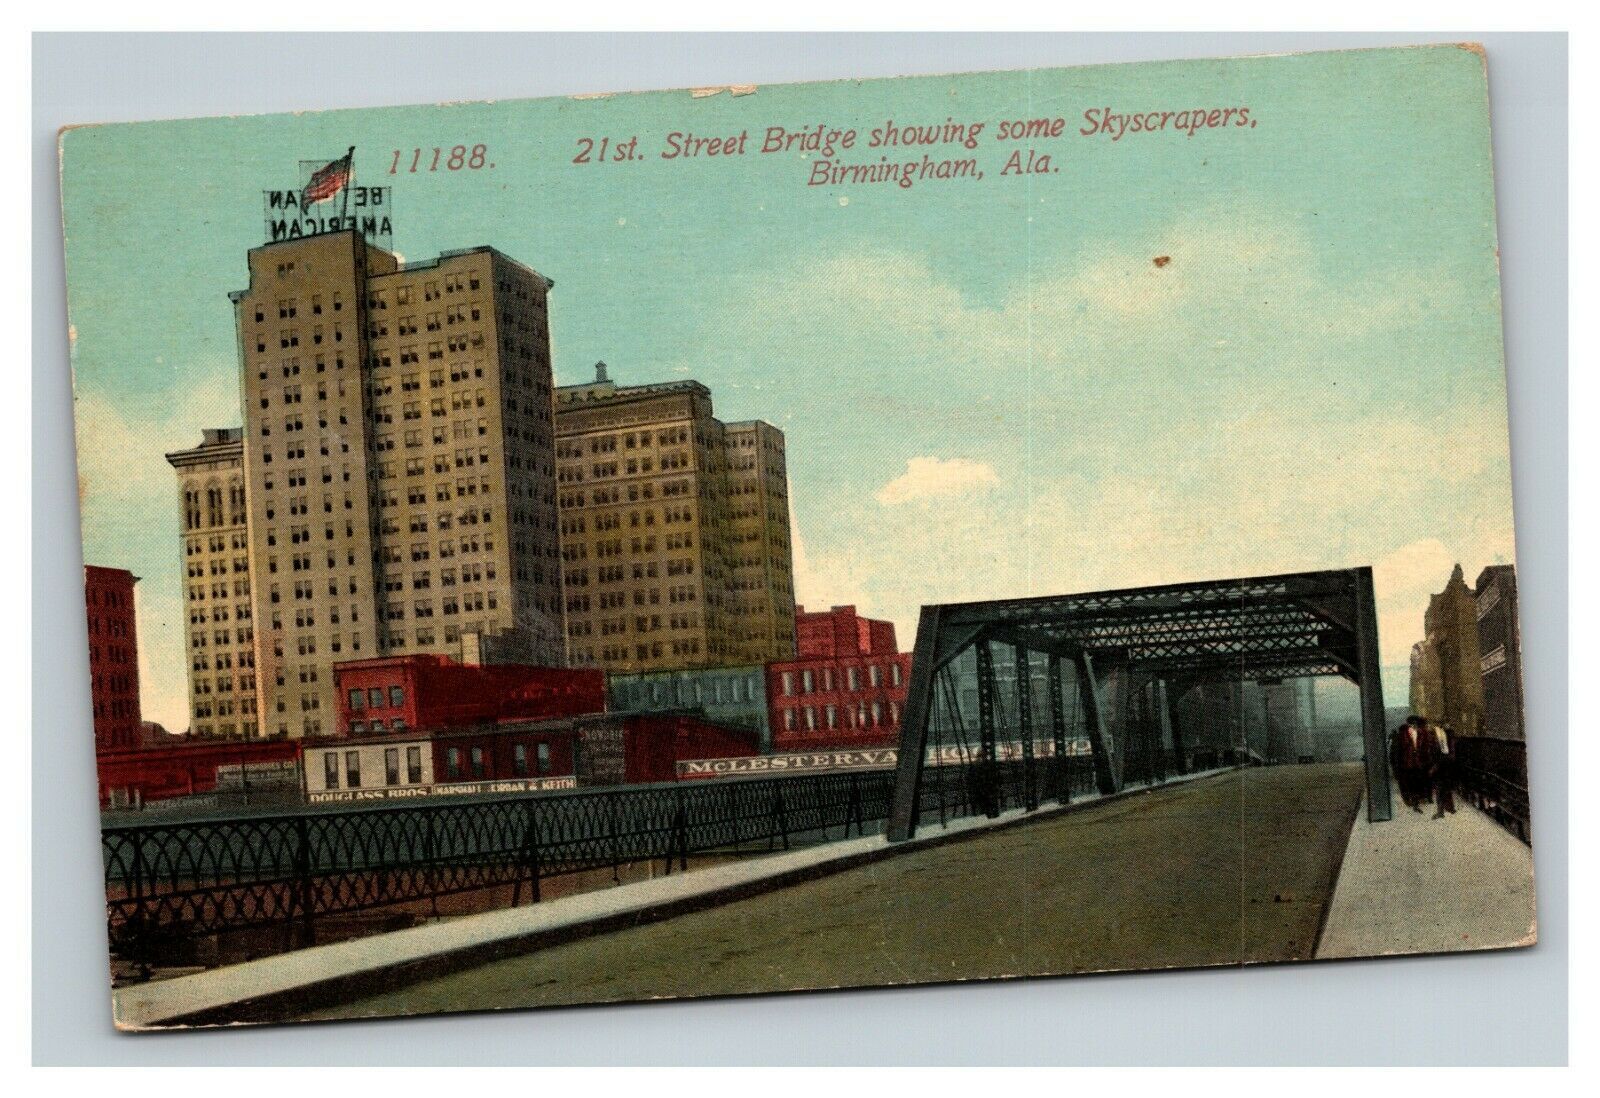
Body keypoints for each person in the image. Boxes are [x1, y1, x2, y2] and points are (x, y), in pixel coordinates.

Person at [1389, 716, 1435, 812]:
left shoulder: (1421, 734)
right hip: (1406, 764)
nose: (1414, 725)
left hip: (1418, 764)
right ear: (1408, 724)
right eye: (1412, 723)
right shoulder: (1401, 735)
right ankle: (1411, 801)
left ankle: (1416, 801)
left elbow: (1425, 749)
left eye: (1415, 724)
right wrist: (1397, 767)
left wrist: (1427, 762)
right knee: (1408, 783)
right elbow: (1396, 752)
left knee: (1417, 782)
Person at [1431, 722, 1458, 818]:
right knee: (1442, 788)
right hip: (1443, 765)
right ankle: (1444, 810)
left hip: (1444, 765)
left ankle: (1445, 809)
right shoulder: (1438, 735)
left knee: (1443, 788)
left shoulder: (1445, 734)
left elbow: (1447, 750)